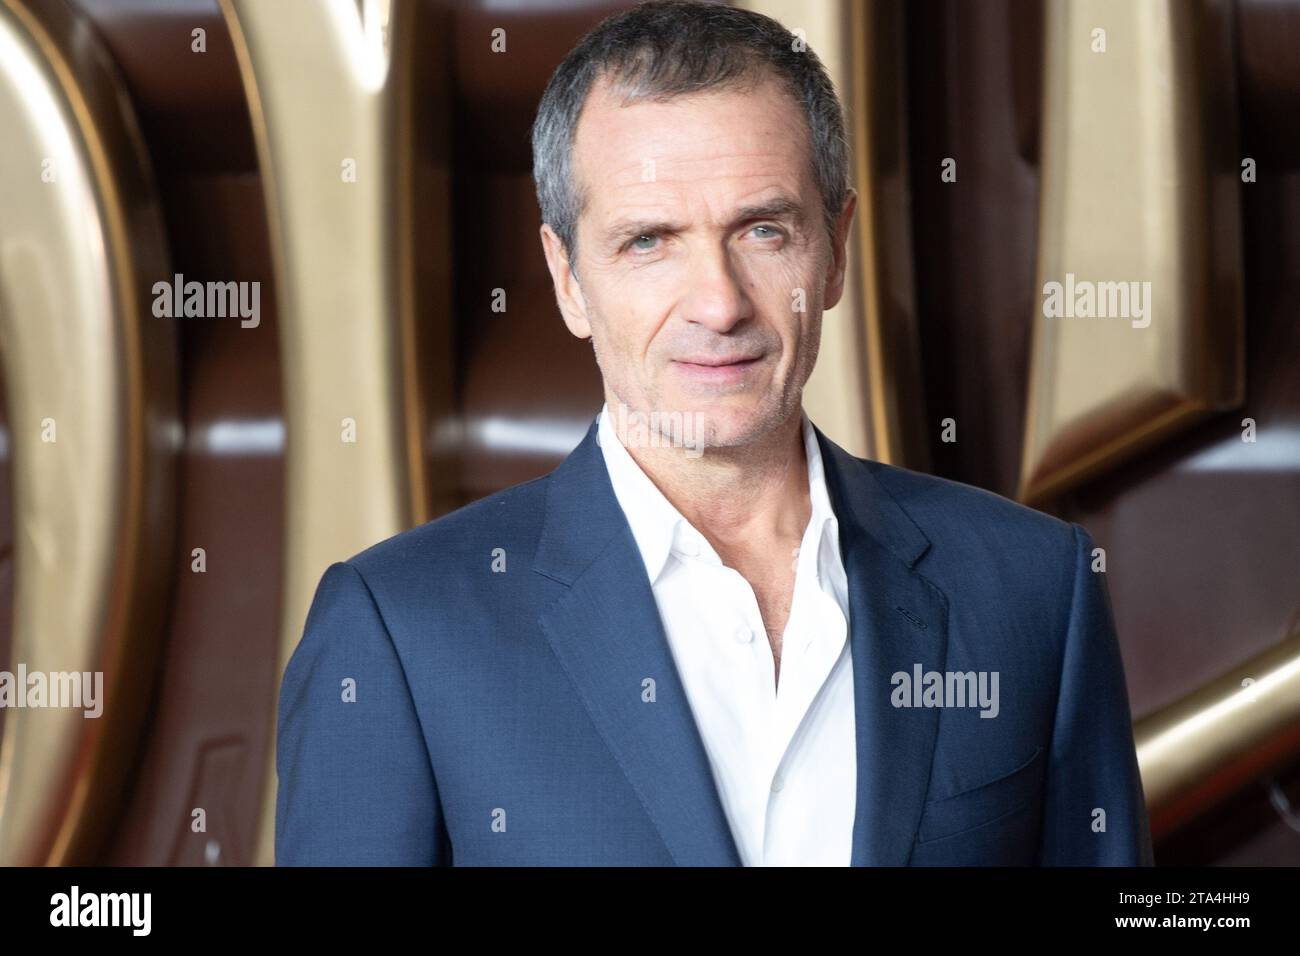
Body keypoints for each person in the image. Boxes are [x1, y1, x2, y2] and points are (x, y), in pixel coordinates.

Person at [275, 0, 1153, 866]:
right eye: (649, 242)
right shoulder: (399, 631)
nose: (720, 303)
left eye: (763, 230)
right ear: (567, 278)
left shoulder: (1035, 588)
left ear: (836, 248)